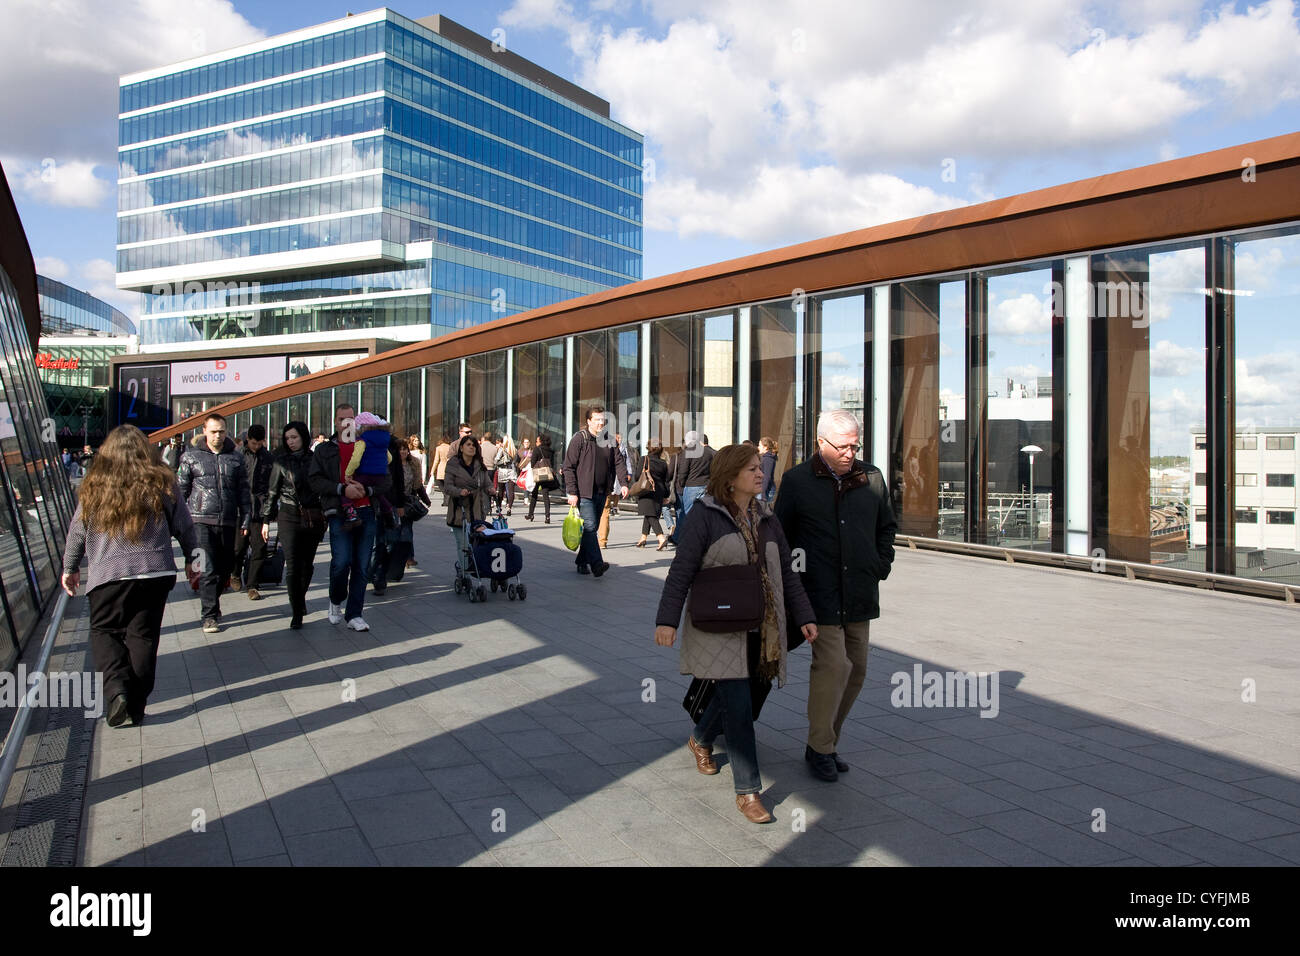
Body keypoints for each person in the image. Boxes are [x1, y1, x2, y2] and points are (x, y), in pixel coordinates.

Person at [654, 444, 817, 824]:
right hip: (720, 627)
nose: (760, 474)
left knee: (749, 696)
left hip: (765, 627)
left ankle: (700, 737)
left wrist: (805, 615)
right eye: (751, 470)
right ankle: (748, 792)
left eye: (760, 468)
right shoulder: (704, 517)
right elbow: (681, 571)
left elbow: (788, 573)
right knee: (739, 708)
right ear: (729, 478)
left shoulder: (767, 517)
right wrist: (667, 620)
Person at [774, 409, 897, 782]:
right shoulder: (797, 481)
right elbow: (782, 538)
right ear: (820, 443)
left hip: (860, 591)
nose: (849, 453)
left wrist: (880, 564)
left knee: (856, 671)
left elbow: (886, 527)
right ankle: (821, 747)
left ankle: (825, 742)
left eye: (854, 445)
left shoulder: (871, 477)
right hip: (818, 595)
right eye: (842, 446)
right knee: (833, 666)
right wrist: (794, 590)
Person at [62, 425, 199, 727]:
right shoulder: (162, 480)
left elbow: (78, 530)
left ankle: (117, 692)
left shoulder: (95, 484)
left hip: (109, 573)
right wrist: (194, 558)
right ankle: (135, 706)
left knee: (105, 631)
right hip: (155, 571)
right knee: (143, 636)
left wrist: (70, 568)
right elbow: (184, 524)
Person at [308, 403, 391, 632]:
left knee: (362, 566)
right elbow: (315, 480)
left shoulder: (369, 443)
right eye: (341, 419)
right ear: (335, 422)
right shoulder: (325, 449)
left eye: (350, 418)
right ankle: (336, 599)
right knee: (341, 562)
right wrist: (341, 489)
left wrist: (368, 491)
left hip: (367, 510)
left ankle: (355, 614)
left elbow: (386, 479)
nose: (346, 422)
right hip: (339, 512)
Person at [177, 413, 251, 634]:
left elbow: (244, 492)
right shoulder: (191, 457)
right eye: (213, 431)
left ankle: (214, 603)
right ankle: (209, 615)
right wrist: (181, 522)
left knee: (225, 568)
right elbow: (181, 491)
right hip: (200, 520)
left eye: (221, 431)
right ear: (205, 431)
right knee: (207, 568)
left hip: (228, 520)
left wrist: (246, 517)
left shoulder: (236, 458)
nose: (218, 436)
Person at [262, 421, 325, 630]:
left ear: (304, 437)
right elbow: (272, 493)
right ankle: (296, 611)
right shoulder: (280, 462)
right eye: (287, 438)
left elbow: (323, 486)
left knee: (307, 565)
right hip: (288, 515)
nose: (291, 442)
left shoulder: (315, 459)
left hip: (313, 516)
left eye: (295, 437)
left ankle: (300, 598)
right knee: (292, 565)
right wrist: (265, 521)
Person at [562, 405, 627, 578]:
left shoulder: (609, 439)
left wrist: (624, 483)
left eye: (603, 419)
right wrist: (572, 492)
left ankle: (582, 561)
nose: (600, 423)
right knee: (590, 527)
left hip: (601, 491)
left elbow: (618, 462)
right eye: (597, 419)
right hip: (584, 493)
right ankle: (597, 564)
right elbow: (568, 467)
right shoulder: (579, 439)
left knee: (591, 529)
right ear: (588, 421)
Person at [234, 423, 274, 599]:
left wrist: (268, 514)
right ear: (247, 440)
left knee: (259, 547)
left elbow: (271, 486)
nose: (256, 446)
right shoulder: (237, 456)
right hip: (240, 508)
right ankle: (235, 573)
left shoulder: (268, 458)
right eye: (253, 443)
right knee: (238, 547)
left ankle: (252, 585)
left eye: (259, 443)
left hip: (259, 509)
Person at [368, 434, 408, 597]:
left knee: (391, 542)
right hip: (370, 502)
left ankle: (379, 572)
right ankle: (376, 575)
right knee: (377, 542)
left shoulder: (392, 449)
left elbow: (399, 478)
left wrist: (400, 504)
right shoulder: (362, 447)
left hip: (390, 503)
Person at [444, 434, 491, 572]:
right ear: (462, 448)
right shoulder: (453, 463)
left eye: (474, 445)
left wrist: (491, 489)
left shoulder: (480, 465)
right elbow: (447, 486)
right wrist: (459, 491)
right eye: (468, 445)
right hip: (459, 510)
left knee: (477, 542)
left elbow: (486, 483)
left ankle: (476, 567)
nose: (472, 447)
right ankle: (465, 570)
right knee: (463, 543)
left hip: (476, 510)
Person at [341, 412, 394, 527]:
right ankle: (389, 511)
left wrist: (348, 474)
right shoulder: (383, 441)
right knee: (378, 494)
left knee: (347, 490)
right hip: (380, 475)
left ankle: (351, 514)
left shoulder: (362, 440)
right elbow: (389, 458)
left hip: (365, 473)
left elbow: (355, 459)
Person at [671, 430, 714, 539]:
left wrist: (681, 483)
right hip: (706, 485)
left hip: (691, 486)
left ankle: (687, 538)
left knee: (688, 514)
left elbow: (683, 471)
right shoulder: (710, 452)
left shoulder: (688, 451)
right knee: (703, 514)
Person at [396, 441, 431, 569]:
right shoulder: (392, 464)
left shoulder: (413, 464)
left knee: (407, 529)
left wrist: (426, 499)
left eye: (405, 449)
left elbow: (418, 485)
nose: (403, 451)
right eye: (400, 449)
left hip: (408, 502)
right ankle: (401, 556)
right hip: (395, 502)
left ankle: (409, 557)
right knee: (399, 531)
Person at [634, 439, 670, 550]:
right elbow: (666, 481)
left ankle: (661, 538)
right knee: (649, 513)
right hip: (659, 492)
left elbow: (637, 476)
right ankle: (643, 538)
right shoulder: (663, 463)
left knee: (650, 515)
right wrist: (666, 495)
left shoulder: (644, 459)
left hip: (647, 490)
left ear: (649, 447)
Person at [525, 434, 559, 522]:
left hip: (538, 473)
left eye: (537, 441)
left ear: (541, 441)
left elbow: (532, 464)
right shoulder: (551, 451)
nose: (536, 442)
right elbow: (552, 463)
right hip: (547, 474)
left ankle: (530, 514)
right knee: (545, 495)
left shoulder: (537, 449)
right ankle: (547, 516)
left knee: (534, 494)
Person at [494, 434, 519, 515]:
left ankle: (499, 507)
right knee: (511, 491)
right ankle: (509, 507)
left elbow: (496, 460)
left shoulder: (502, 449)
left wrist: (502, 462)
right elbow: (515, 461)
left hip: (503, 472)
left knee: (501, 491)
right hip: (512, 471)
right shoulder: (514, 450)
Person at [427, 432, 451, 497]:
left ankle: (445, 496)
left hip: (441, 466)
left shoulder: (439, 448)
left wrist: (432, 471)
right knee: (447, 483)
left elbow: (436, 460)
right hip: (449, 467)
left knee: (439, 482)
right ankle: (446, 498)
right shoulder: (450, 447)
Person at [479, 431, 499, 507]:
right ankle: (489, 504)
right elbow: (496, 459)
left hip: (482, 468)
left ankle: (484, 505)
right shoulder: (494, 448)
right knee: (489, 486)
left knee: (482, 487)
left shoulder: (480, 447)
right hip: (491, 469)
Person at [759, 437, 778, 502]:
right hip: (764, 488)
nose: (758, 447)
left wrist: (763, 493)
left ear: (765, 447)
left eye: (760, 445)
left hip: (767, 489)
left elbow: (767, 476)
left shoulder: (768, 459)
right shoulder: (765, 457)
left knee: (764, 509)